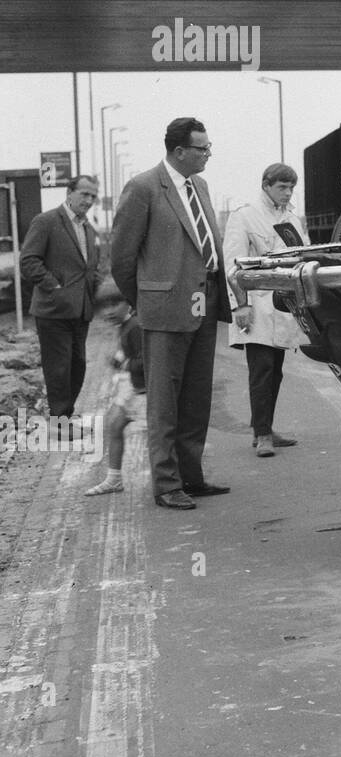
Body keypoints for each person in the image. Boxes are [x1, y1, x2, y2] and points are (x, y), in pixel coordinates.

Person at [110, 118, 232, 509]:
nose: (209, 153)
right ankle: (166, 484)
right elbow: (122, 258)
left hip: (205, 303)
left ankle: (191, 477)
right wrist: (146, 299)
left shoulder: (202, 186)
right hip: (164, 309)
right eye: (203, 148)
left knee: (196, 397)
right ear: (179, 151)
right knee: (164, 400)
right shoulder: (144, 187)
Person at [225, 164, 307, 457]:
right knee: (262, 370)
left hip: (281, 306)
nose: (287, 193)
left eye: (291, 188)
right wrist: (241, 306)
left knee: (276, 373)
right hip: (256, 305)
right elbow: (233, 266)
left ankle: (266, 426)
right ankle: (261, 435)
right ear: (266, 185)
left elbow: (302, 255)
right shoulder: (244, 216)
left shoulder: (291, 219)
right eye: (282, 187)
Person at [19, 174, 102, 424]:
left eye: (93, 196)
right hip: (53, 312)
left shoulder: (88, 229)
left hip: (81, 312)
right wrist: (55, 287)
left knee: (78, 367)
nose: (88, 200)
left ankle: (65, 417)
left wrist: (101, 293)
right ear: (70, 193)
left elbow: (90, 269)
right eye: (84, 194)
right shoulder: (46, 221)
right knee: (59, 370)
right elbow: (29, 261)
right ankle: (60, 424)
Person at [84, 282, 145, 496]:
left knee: (159, 438)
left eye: (114, 304)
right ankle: (114, 479)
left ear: (128, 302)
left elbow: (145, 361)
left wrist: (124, 364)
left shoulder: (135, 326)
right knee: (114, 426)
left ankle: (172, 479)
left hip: (143, 392)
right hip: (132, 388)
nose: (108, 311)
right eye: (103, 306)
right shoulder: (125, 326)